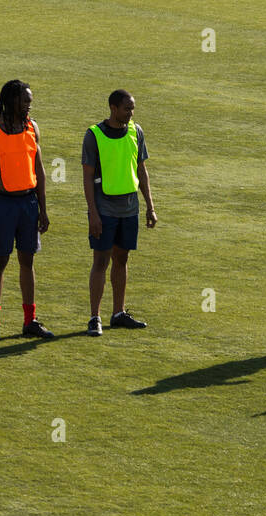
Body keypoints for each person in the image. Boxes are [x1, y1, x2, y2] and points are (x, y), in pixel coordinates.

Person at [0, 79, 53, 340]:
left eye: (30, 100)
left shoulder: (32, 127)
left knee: (27, 261)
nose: (29, 105)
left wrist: (43, 208)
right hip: (2, 203)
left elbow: (38, 170)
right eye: (25, 100)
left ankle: (30, 321)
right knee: (0, 261)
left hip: (28, 203)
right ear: (11, 101)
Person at [81, 88, 156, 336]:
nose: (131, 113)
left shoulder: (136, 131)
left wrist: (150, 206)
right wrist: (92, 213)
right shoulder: (94, 135)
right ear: (113, 108)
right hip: (104, 209)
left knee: (122, 259)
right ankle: (94, 317)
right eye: (127, 108)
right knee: (101, 261)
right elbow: (87, 176)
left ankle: (118, 313)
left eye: (132, 108)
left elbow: (141, 170)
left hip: (129, 208)